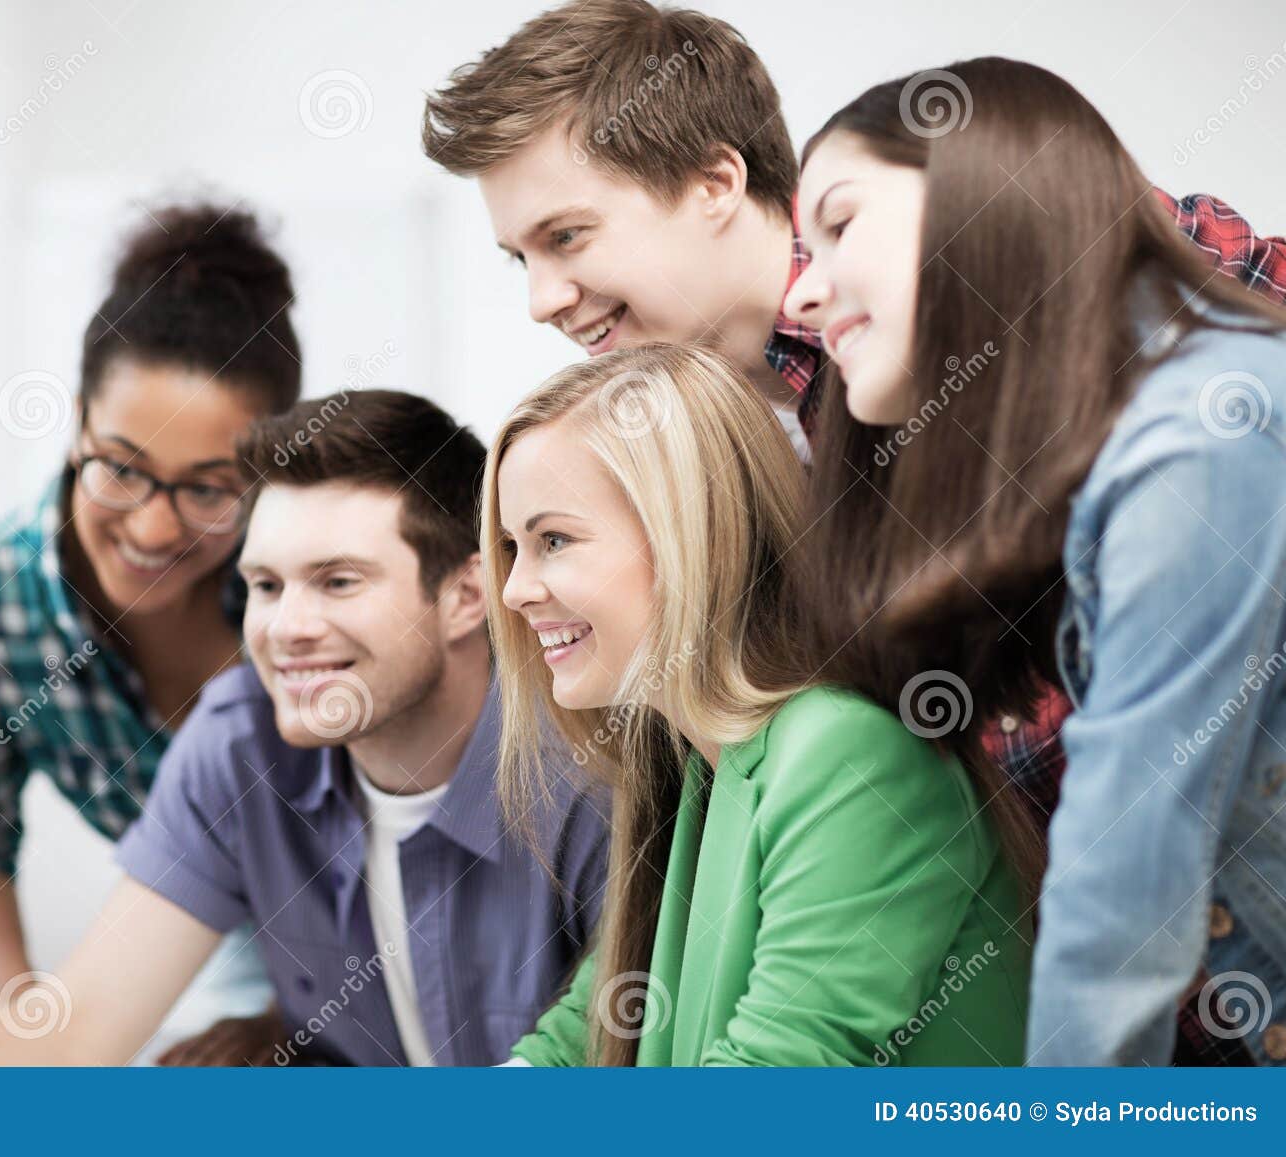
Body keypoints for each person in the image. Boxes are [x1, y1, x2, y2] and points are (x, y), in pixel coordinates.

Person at [423, 0, 1286, 1062]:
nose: (543, 299)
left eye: (567, 236)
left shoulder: (979, 283)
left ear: (714, 181)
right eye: (519, 258)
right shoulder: (703, 461)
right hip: (1147, 1008)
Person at [783, 56, 1286, 1066]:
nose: (800, 294)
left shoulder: (1202, 428)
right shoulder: (1124, 455)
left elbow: (1120, 893)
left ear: (990, 194)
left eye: (840, 225)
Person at [0, 389, 609, 1067]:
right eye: (266, 585)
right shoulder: (240, 741)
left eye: (339, 581)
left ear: (468, 596)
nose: (286, 629)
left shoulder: (592, 777)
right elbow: (78, 1022)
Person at [486, 342, 1033, 1066]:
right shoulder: (695, 766)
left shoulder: (847, 754)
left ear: (691, 534)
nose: (516, 589)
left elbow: (774, 1076)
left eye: (554, 539)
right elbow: (579, 1037)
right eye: (511, 546)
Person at [0, 202, 292, 1060]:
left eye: (209, 487)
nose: (153, 529)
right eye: (122, 467)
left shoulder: (319, 589)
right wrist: (27, 1012)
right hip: (194, 941)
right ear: (77, 421)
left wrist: (296, 1019)